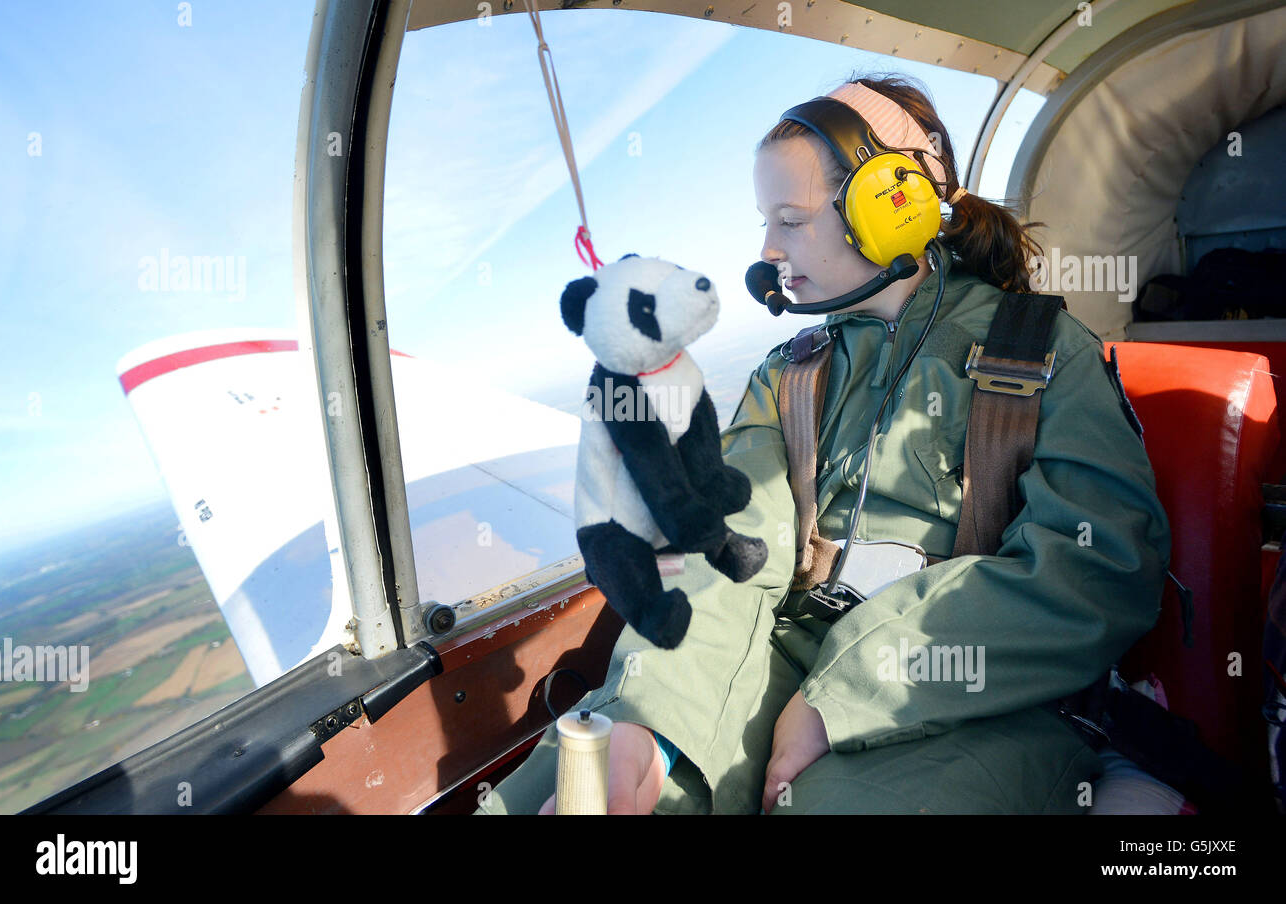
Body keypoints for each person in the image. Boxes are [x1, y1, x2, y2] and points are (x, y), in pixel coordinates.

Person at [475, 75, 1171, 815]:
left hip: (975, 687)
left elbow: (1095, 569)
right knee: (576, 786)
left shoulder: (1041, 355)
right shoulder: (790, 375)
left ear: (891, 204)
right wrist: (654, 727)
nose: (767, 248)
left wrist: (845, 697)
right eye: (764, 221)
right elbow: (730, 554)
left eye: (790, 219)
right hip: (780, 657)